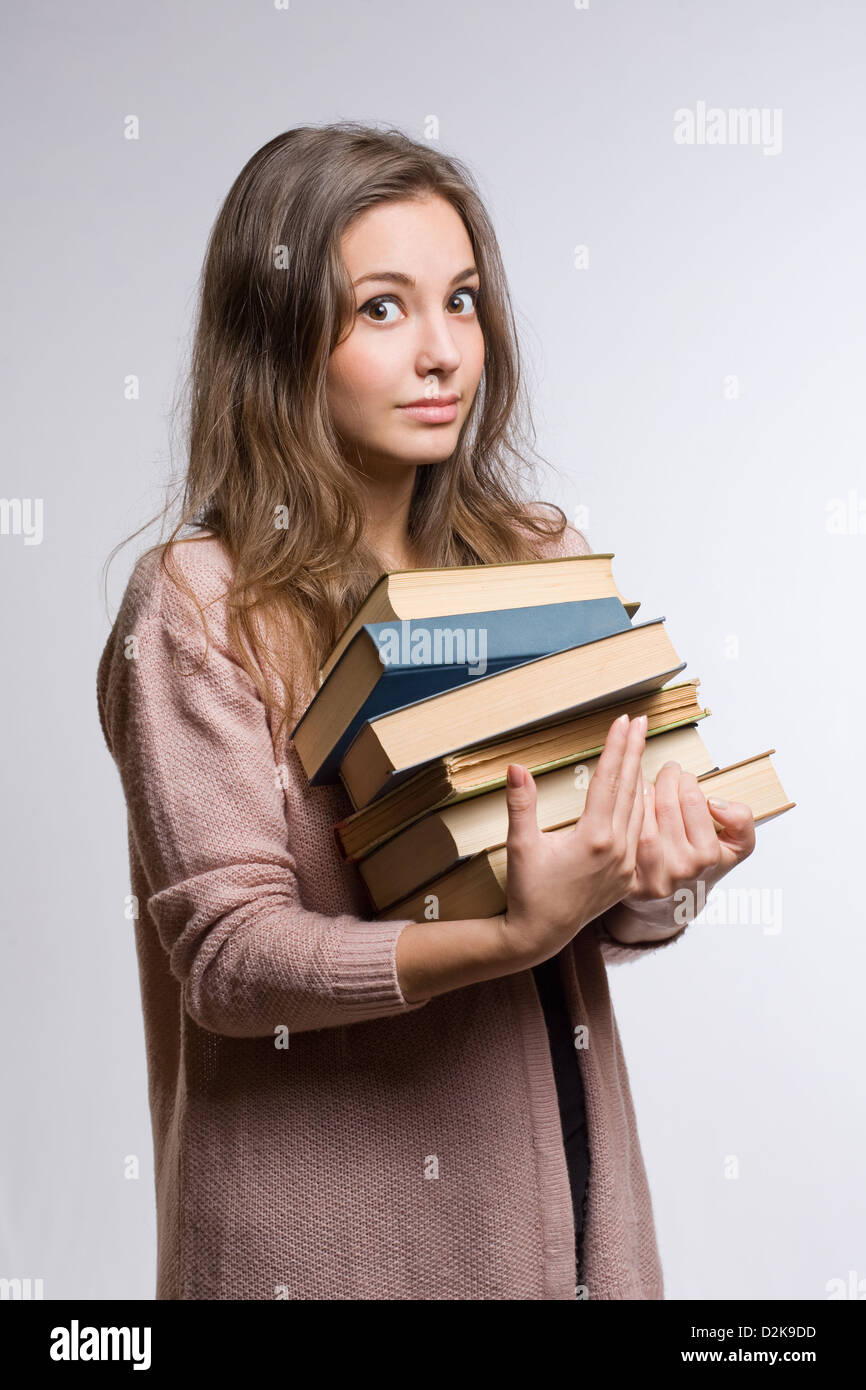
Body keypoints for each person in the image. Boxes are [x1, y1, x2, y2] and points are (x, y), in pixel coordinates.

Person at [96, 122, 756, 1300]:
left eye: (461, 300)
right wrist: (504, 936)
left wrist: (656, 876)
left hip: (570, 1218)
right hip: (335, 1250)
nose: (443, 351)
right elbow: (230, 959)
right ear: (278, 336)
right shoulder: (200, 604)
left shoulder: (527, 556)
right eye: (383, 310)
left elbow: (589, 906)